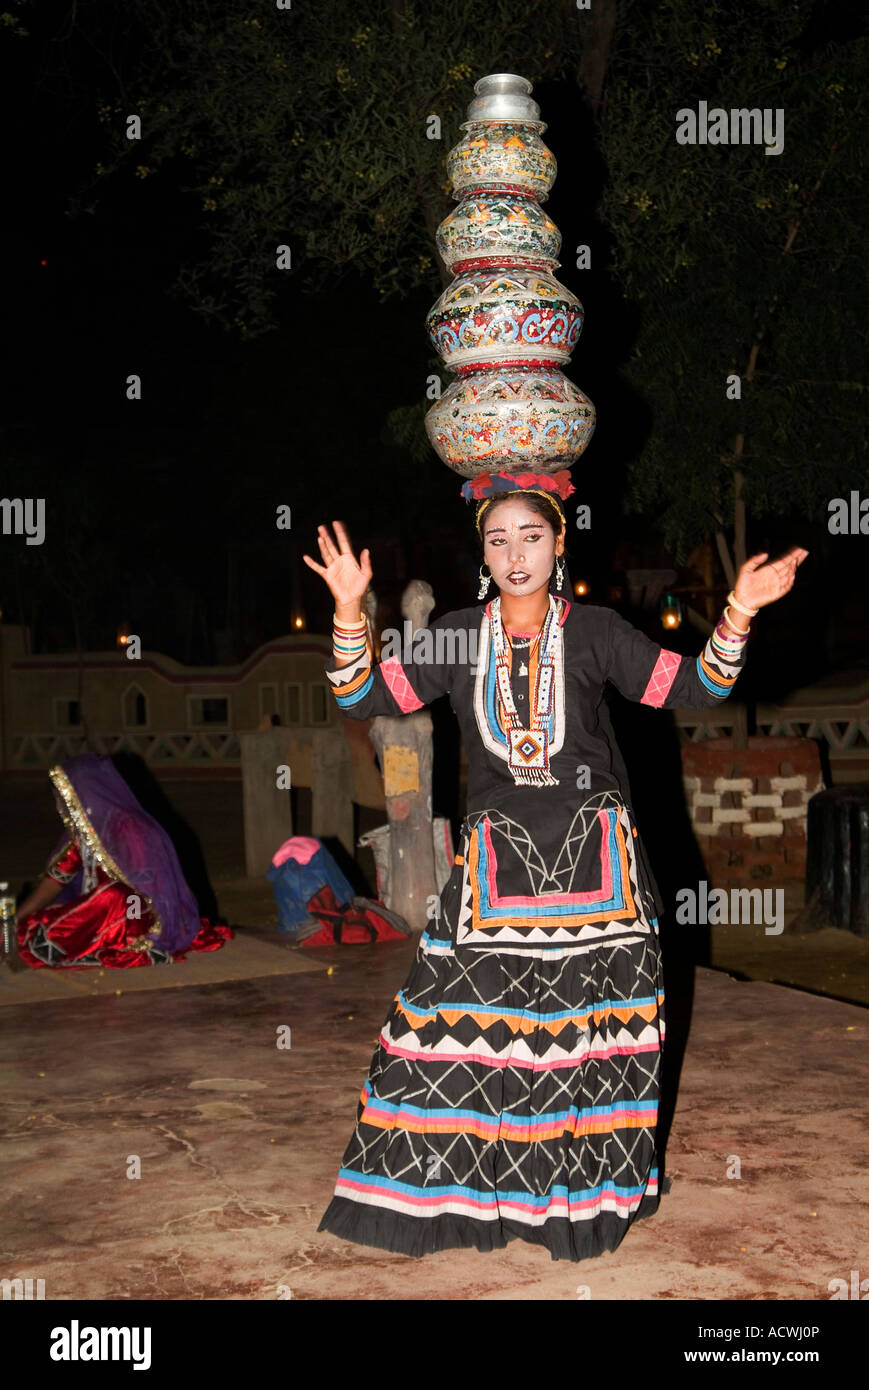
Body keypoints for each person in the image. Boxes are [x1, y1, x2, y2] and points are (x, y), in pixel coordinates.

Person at [303, 482, 807, 1262]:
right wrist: (346, 611)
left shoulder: (599, 631)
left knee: (589, 1038)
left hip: (596, 862)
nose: (514, 555)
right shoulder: (458, 635)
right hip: (494, 867)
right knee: (451, 1028)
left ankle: (582, 1198)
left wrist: (738, 608)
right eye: (498, 540)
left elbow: (693, 687)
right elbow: (369, 693)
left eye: (530, 537)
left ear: (559, 544)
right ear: (482, 553)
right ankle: (468, 1197)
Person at [15, 753, 232, 969]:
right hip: (103, 913)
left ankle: (123, 941)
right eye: (59, 797)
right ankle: (59, 938)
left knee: (115, 895)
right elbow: (56, 880)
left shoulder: (129, 828)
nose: (61, 805)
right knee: (48, 912)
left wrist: (136, 932)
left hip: (140, 912)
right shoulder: (84, 833)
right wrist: (15, 920)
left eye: (66, 796)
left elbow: (146, 890)